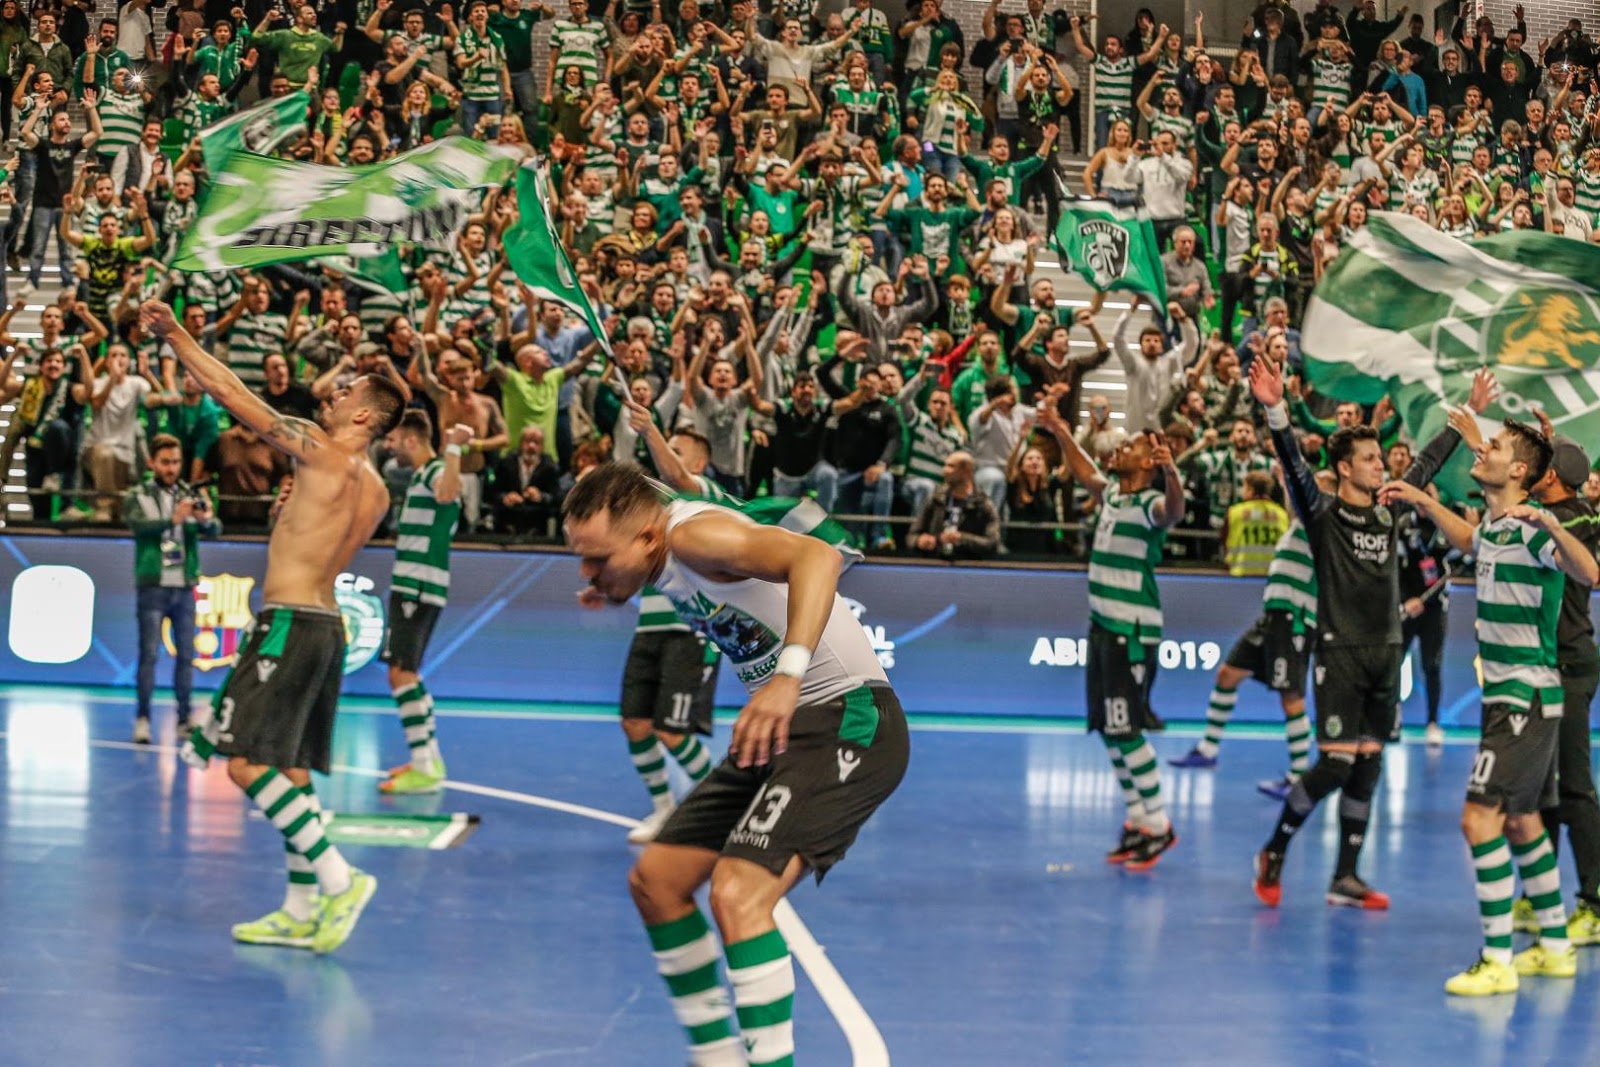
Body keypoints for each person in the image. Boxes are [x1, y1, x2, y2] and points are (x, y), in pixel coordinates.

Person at [564, 462, 909, 1067]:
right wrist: (611, 583)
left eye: (597, 559)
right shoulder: (658, 553)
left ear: (647, 537)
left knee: (738, 894)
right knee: (657, 882)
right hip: (784, 732)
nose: (588, 572)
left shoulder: (695, 537)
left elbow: (816, 559)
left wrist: (786, 678)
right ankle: (718, 1058)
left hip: (847, 718)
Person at [143, 298, 403, 954]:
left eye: (346, 391)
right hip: (325, 627)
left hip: (287, 624)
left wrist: (175, 332)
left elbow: (231, 392)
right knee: (289, 771)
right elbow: (332, 559)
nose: (333, 392)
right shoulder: (373, 489)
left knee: (242, 766)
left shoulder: (316, 448)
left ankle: (339, 878)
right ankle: (299, 905)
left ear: (364, 415)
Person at [1248, 357, 1485, 912]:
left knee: (1370, 764)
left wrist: (1468, 411)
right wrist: (1275, 406)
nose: (1382, 467)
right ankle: (1275, 849)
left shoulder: (1390, 513)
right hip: (1340, 656)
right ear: (1344, 468)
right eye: (1371, 460)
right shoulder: (1323, 515)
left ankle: (1345, 877)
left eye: (1381, 458)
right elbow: (1291, 461)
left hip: (1386, 654)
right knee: (1334, 763)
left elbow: (1426, 462)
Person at [1381, 415, 1595, 996]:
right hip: (1512, 699)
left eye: (1494, 447)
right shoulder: (1498, 527)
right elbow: (1468, 539)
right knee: (1524, 823)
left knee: (1479, 821)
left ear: (1519, 470)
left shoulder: (1530, 528)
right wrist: (1422, 500)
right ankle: (1554, 947)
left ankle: (1498, 958)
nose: (1484, 450)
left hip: (1523, 699)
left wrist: (1550, 524)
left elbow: (1591, 573)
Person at [1057, 426, 1186, 869]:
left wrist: (1172, 473)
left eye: (1130, 446)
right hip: (1102, 627)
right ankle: (1138, 821)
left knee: (1126, 730)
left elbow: (1174, 511)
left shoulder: (1150, 504)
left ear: (1148, 463)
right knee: (1110, 731)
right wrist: (1057, 429)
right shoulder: (1113, 493)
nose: (1120, 448)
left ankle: (1161, 825)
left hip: (1131, 633)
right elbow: (1083, 470)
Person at [1171, 470, 1333, 798]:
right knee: (1228, 675)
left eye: (1320, 483)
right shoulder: (1300, 523)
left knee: (1292, 698)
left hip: (1295, 617)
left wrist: (1287, 477)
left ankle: (1299, 776)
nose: (1311, 487)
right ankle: (1208, 749)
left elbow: (1302, 503)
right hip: (1273, 617)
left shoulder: (1324, 522)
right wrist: (1283, 476)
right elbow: (1294, 507)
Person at [611, 400, 725, 844]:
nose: (668, 456)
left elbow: (676, 476)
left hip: (691, 633)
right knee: (635, 724)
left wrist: (650, 430)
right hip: (650, 630)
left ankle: (722, 805)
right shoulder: (653, 513)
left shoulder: (703, 495)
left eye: (678, 449)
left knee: (671, 731)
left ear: (699, 461)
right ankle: (663, 809)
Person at [1516, 425, 1600, 946]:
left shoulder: (1558, 523)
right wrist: (1554, 439)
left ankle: (1595, 902)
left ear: (1549, 478)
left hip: (1568, 664)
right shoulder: (1580, 513)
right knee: (1542, 786)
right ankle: (1539, 892)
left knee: (1572, 787)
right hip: (1553, 664)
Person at [377, 409, 466, 795]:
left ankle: (426, 767)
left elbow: (450, 493)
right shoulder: (420, 476)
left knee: (401, 675)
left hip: (417, 587)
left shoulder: (434, 473)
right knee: (406, 673)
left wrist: (455, 448)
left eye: (393, 439)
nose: (387, 445)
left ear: (411, 440)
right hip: (410, 586)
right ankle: (426, 759)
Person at [124, 433, 220, 744]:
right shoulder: (139, 495)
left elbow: (215, 529)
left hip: (184, 586)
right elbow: (139, 527)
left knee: (186, 656)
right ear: (152, 462)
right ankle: (143, 718)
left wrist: (206, 520)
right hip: (153, 585)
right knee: (149, 655)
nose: (171, 468)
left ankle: (183, 719)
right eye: (165, 462)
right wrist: (172, 518)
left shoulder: (188, 494)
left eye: (176, 462)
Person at [908, 450, 999, 559]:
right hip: (934, 564)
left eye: (951, 466)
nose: (945, 470)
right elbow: (912, 536)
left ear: (967, 471)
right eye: (945, 466)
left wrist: (961, 539)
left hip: (968, 567)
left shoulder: (983, 505)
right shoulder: (936, 499)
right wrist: (919, 541)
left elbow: (992, 543)